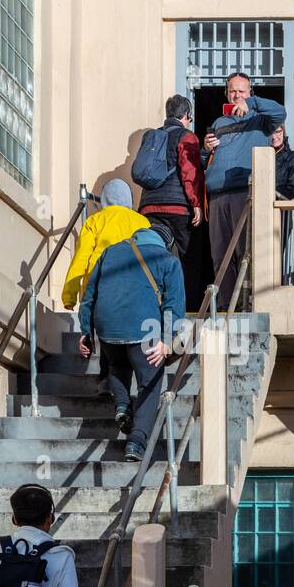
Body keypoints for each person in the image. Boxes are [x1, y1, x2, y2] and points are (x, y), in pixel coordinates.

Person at [78, 221, 185, 463]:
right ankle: (137, 440)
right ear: (166, 244)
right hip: (143, 330)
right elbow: (174, 305)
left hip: (107, 328)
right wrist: (167, 341)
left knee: (117, 363)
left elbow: (89, 295)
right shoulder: (168, 260)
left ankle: (123, 406)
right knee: (150, 381)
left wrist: (86, 331)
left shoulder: (110, 252)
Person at [202, 73, 286, 310]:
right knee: (220, 254)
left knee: (244, 253)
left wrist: (251, 105)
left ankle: (247, 305)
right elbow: (204, 161)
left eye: (242, 91)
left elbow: (281, 112)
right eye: (232, 91)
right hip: (217, 196)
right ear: (226, 94)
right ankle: (227, 305)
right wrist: (205, 149)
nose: (236, 95)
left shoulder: (261, 120)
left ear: (250, 93)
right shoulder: (219, 123)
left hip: (244, 194)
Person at [61, 179, 151, 396]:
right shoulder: (142, 222)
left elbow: (81, 259)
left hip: (99, 284)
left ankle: (105, 379)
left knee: (104, 334)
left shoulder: (95, 221)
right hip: (133, 287)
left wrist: (70, 294)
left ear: (105, 199)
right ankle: (127, 384)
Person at [135, 95, 205, 310]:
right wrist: (196, 203)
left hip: (149, 206)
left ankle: (153, 304)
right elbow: (189, 171)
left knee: (153, 255)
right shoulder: (187, 136)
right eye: (189, 117)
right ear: (185, 116)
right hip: (178, 208)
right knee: (188, 258)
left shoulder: (151, 136)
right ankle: (186, 306)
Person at [271, 124, 294, 285]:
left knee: (276, 256)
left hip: (281, 215)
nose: (274, 136)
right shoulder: (255, 155)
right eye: (269, 132)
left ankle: (273, 293)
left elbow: (293, 189)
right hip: (255, 214)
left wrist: (270, 193)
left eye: (278, 131)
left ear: (284, 132)